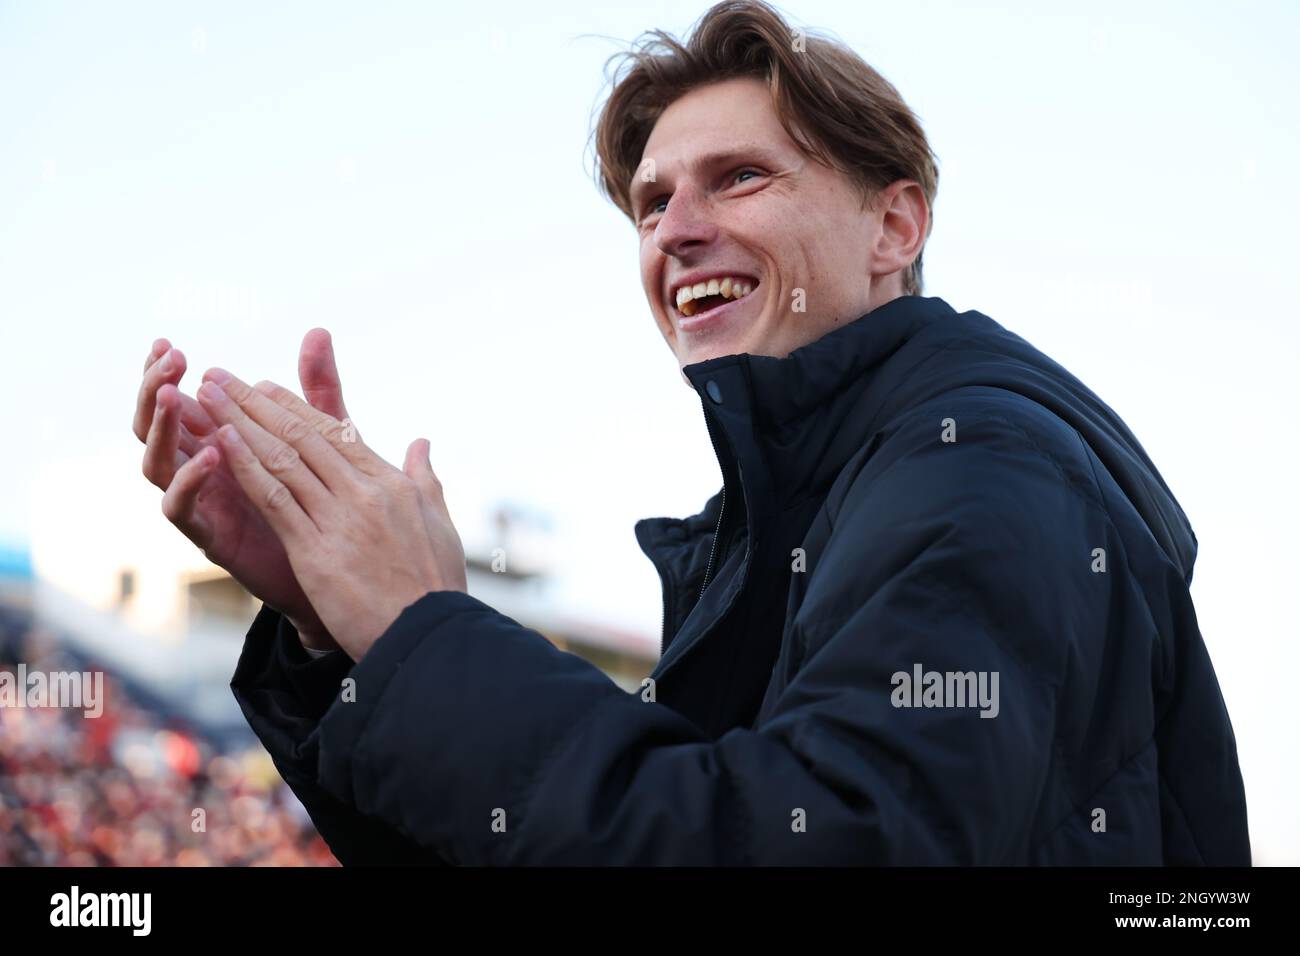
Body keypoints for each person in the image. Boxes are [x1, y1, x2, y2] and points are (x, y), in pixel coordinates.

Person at [131, 0, 1249, 864]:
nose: (677, 230)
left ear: (893, 224)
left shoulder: (981, 469)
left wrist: (426, 633)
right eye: (652, 202)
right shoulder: (809, 508)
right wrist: (339, 632)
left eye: (739, 178)